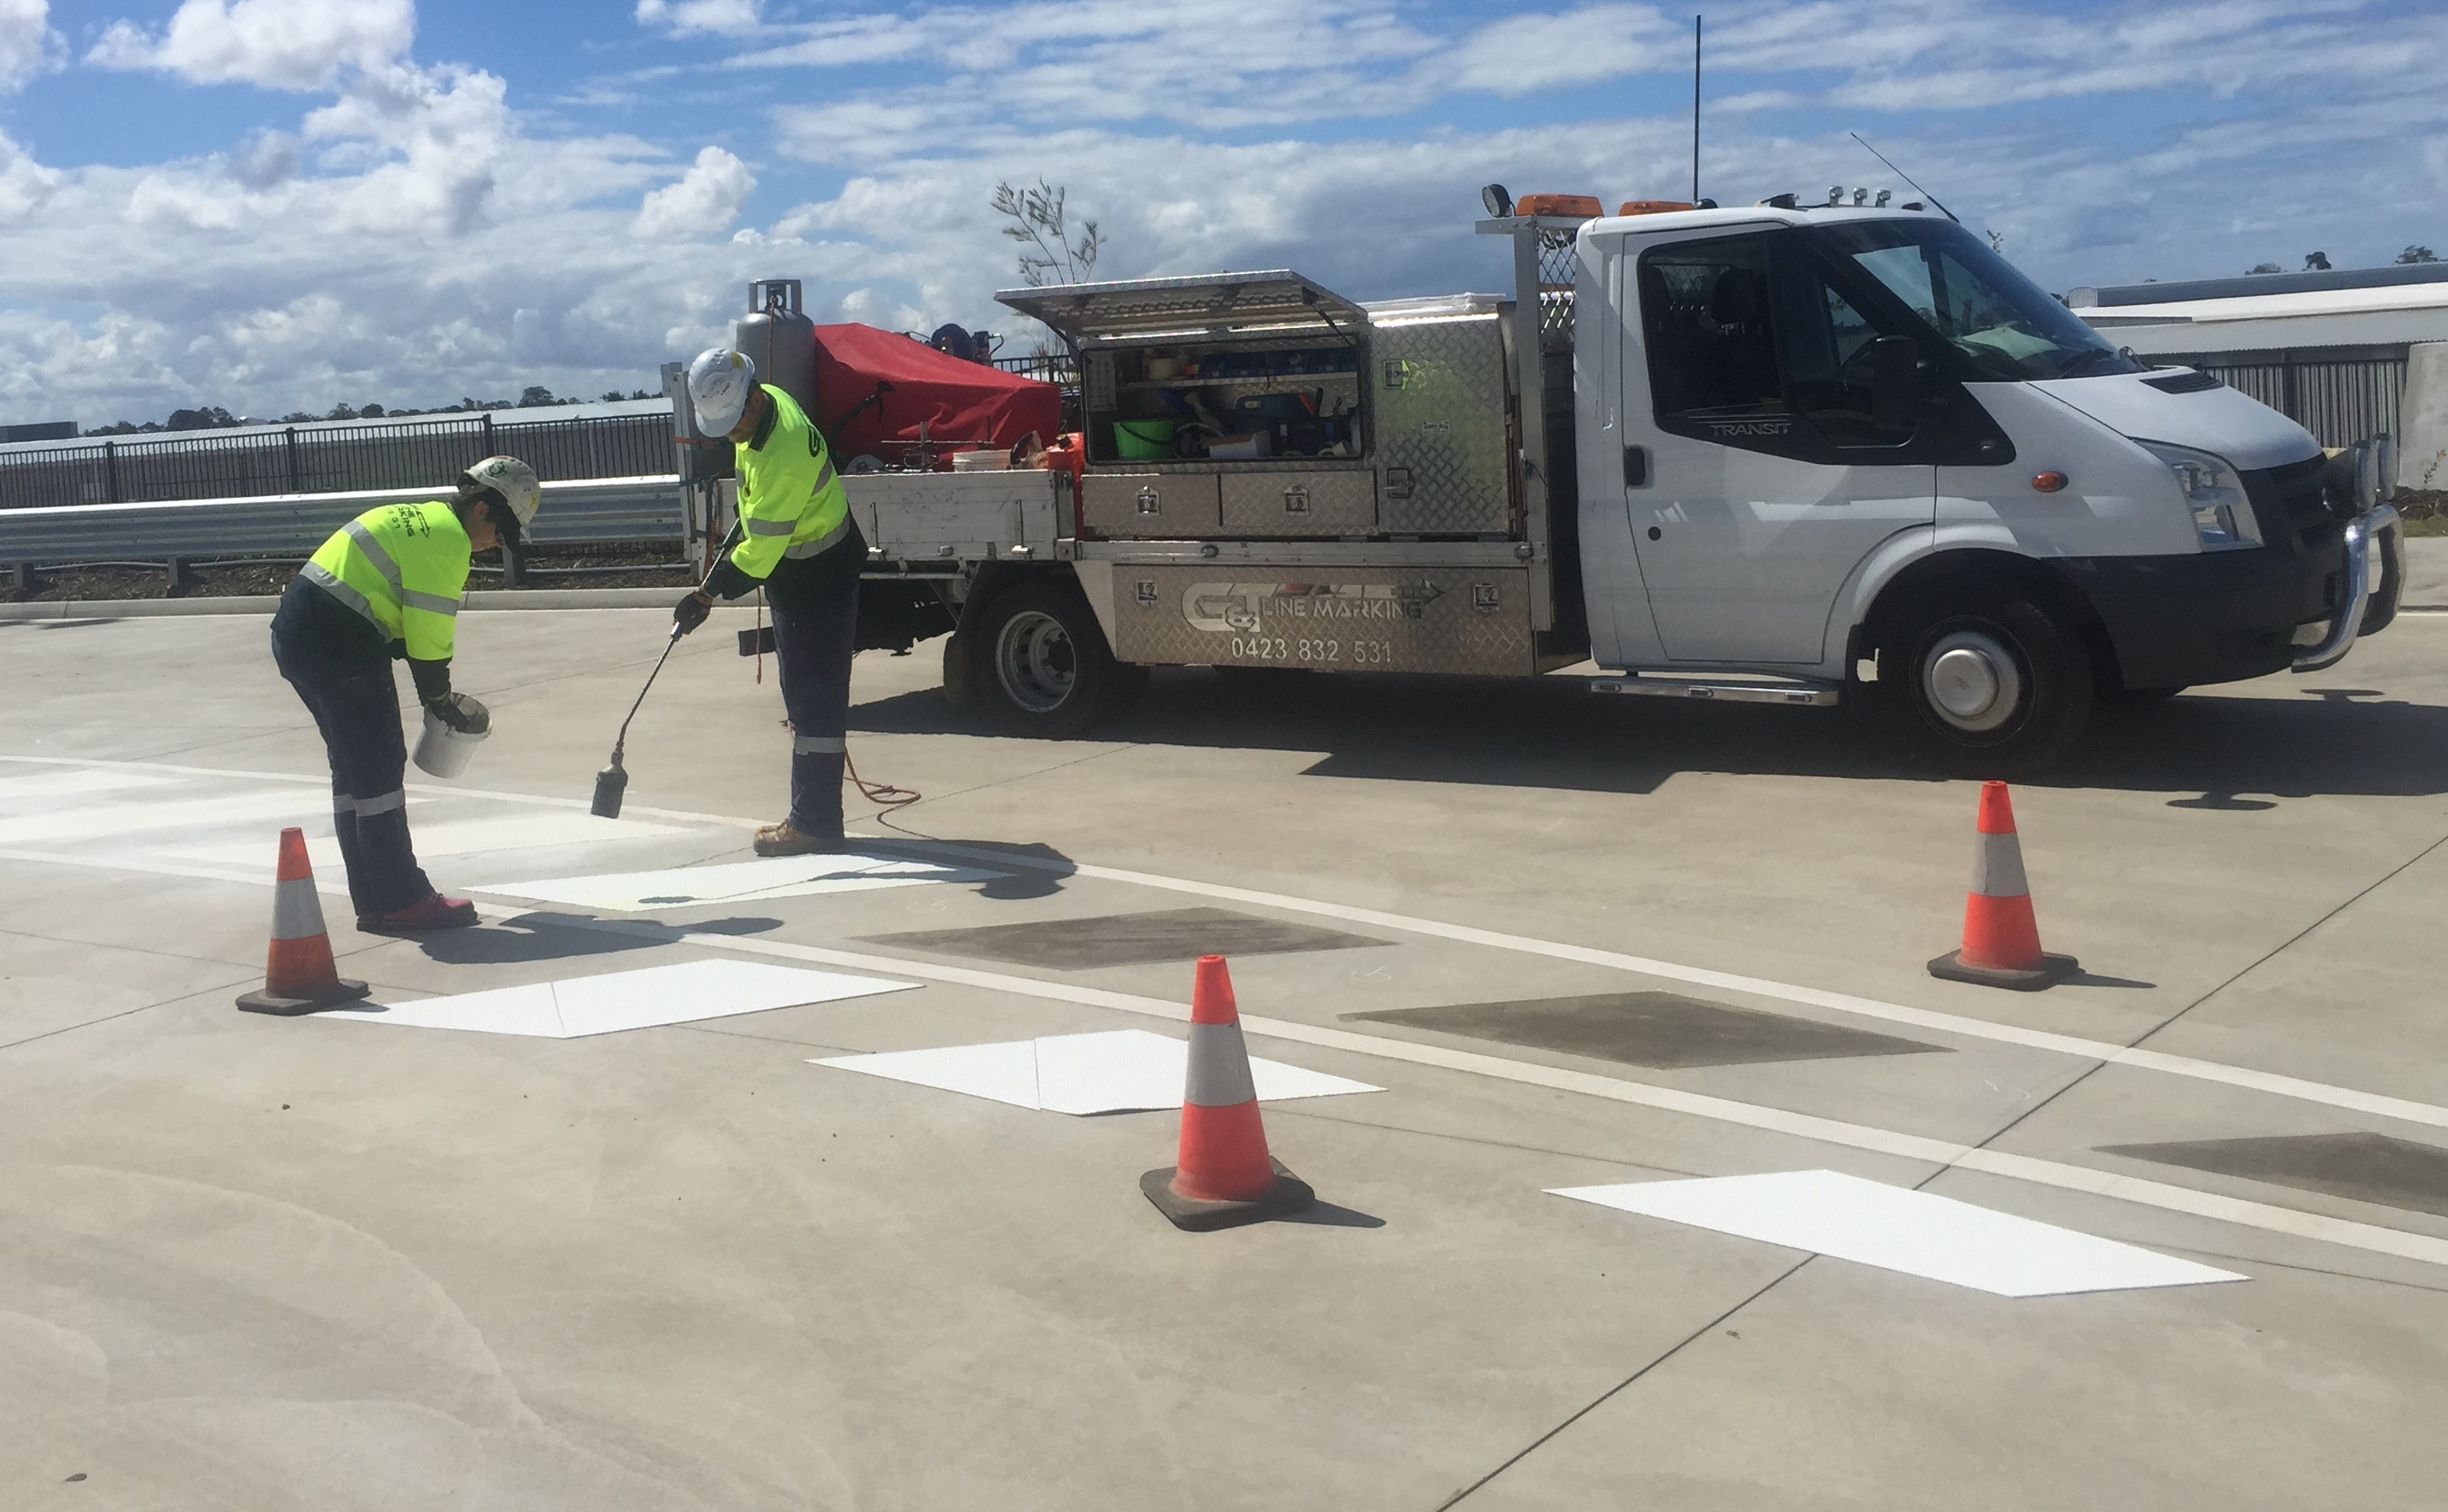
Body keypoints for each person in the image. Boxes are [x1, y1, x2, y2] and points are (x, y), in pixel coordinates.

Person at [270, 455, 541, 931]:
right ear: (482, 510)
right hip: (338, 643)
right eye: (502, 531)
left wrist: (427, 680)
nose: (497, 544)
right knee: (377, 764)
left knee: (354, 770)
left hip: (301, 633)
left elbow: (392, 611)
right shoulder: (449, 542)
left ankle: (374, 898)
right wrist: (440, 700)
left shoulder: (420, 518)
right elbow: (429, 637)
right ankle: (401, 899)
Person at [672, 347, 864, 856]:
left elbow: (760, 555)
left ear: (754, 398)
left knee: (813, 704)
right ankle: (814, 815)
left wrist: (707, 594)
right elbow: (756, 508)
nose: (731, 435)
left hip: (816, 576)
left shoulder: (783, 451)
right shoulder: (766, 407)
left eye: (734, 423)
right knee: (805, 699)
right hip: (802, 569)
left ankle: (815, 823)